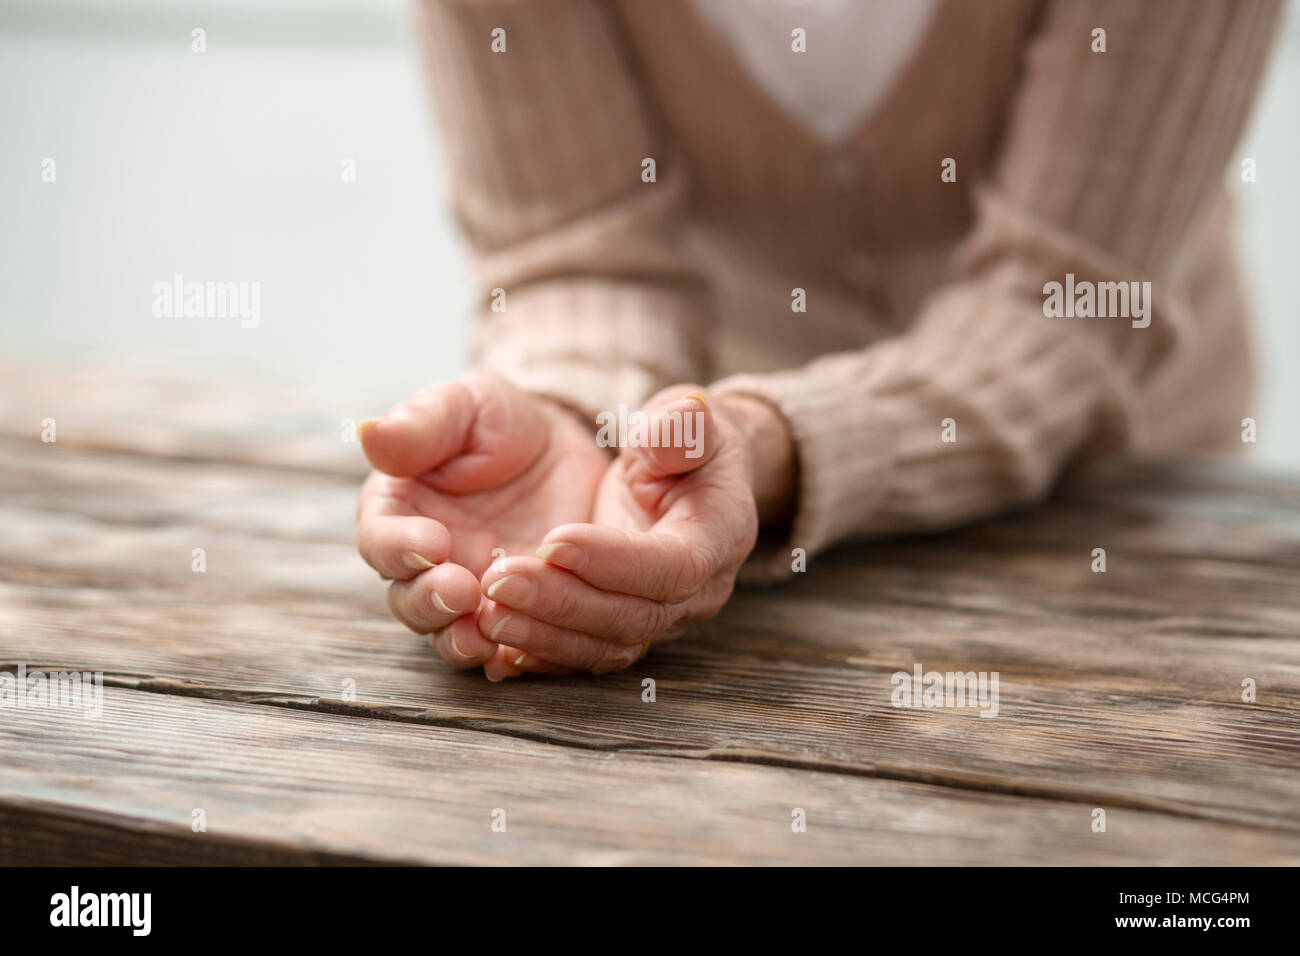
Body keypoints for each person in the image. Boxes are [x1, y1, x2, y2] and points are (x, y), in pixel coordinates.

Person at [356, 0, 1282, 680]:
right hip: (731, 544)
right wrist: (568, 418)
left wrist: (772, 444)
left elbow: (1059, 310)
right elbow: (581, 260)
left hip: (1127, 520)